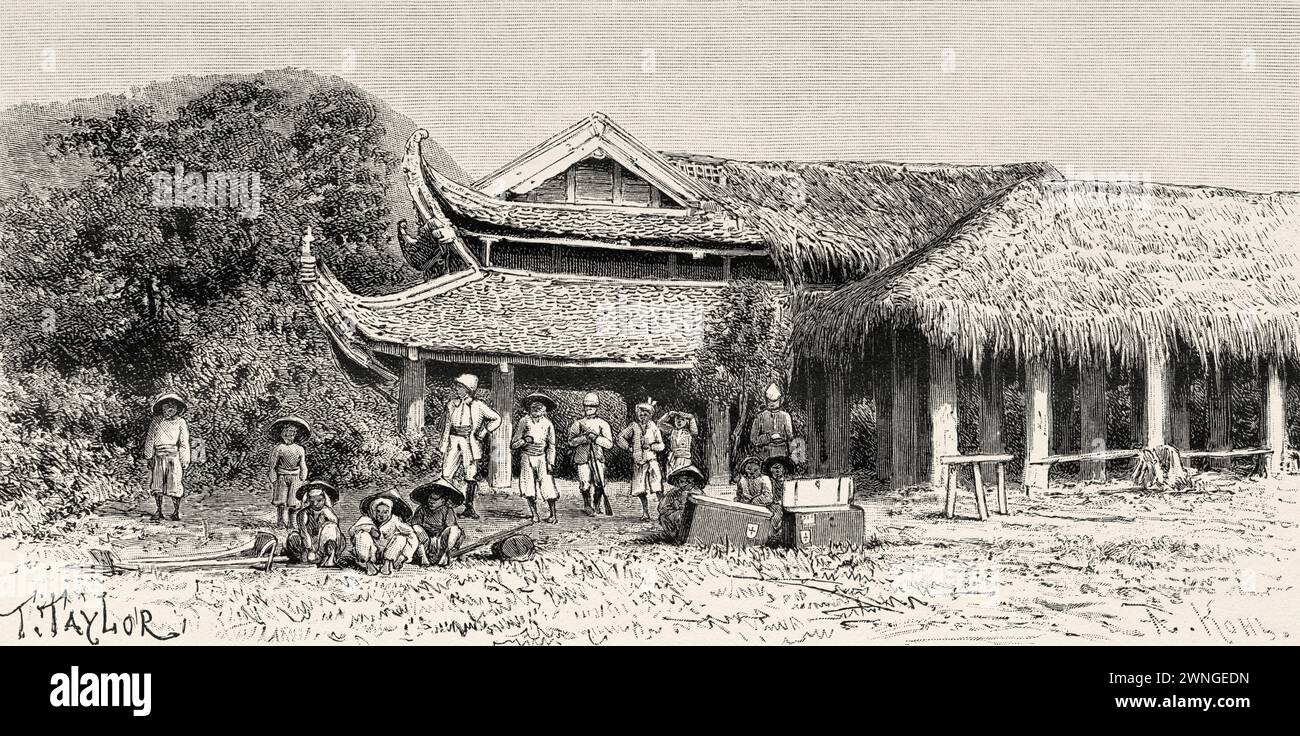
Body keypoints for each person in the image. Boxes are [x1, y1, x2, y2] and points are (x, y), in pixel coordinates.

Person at [438, 373, 501, 519]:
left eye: (460, 387)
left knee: (470, 474)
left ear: (468, 389)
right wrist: (443, 442)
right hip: (453, 440)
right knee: (446, 473)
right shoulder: (451, 404)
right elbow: (446, 424)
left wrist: (484, 431)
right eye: (457, 386)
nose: (457, 389)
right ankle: (446, 507)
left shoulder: (478, 405)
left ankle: (469, 507)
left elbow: (496, 419)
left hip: (469, 442)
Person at [511, 393, 559, 524]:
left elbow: (551, 445)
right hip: (527, 457)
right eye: (533, 406)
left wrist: (550, 462)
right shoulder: (524, 421)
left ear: (544, 410)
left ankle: (553, 515)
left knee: (548, 486)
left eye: (540, 407)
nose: (536, 409)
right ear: (529, 408)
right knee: (528, 487)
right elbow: (514, 444)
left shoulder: (548, 424)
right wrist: (524, 441)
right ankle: (535, 514)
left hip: (542, 457)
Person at [143, 392, 191, 522]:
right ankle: (159, 510)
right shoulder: (156, 422)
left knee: (174, 484)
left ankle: (176, 511)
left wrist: (185, 458)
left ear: (177, 408)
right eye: (166, 406)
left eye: (173, 406)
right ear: (161, 407)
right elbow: (150, 439)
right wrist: (149, 456)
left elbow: (184, 442)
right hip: (158, 456)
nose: (169, 409)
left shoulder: (181, 422)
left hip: (173, 457)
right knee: (157, 484)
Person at [349, 491, 419, 576]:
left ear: (390, 512)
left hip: (388, 554)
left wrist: (404, 556)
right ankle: (369, 565)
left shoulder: (395, 521)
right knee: (362, 535)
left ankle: (387, 565)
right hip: (372, 553)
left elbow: (412, 535)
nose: (381, 515)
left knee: (400, 538)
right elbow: (352, 531)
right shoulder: (366, 520)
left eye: (385, 512)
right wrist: (369, 529)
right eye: (378, 511)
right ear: (374, 511)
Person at [617, 397, 666, 522]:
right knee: (641, 490)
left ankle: (664, 512)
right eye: (641, 414)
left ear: (650, 415)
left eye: (646, 414)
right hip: (639, 462)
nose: (643, 416)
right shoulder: (634, 426)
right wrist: (629, 447)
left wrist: (650, 446)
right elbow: (620, 438)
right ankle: (645, 512)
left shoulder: (653, 427)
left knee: (657, 488)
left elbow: (661, 445)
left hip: (651, 461)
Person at [569, 392, 614, 516]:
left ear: (597, 407)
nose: (589, 408)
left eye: (592, 406)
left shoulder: (603, 424)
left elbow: (609, 444)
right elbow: (571, 442)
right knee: (585, 483)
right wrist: (584, 438)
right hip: (582, 458)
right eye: (587, 406)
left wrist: (596, 438)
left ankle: (597, 504)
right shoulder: (577, 423)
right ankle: (587, 505)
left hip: (598, 457)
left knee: (599, 483)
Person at [266, 416, 311, 528]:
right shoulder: (279, 448)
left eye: (291, 432)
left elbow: (302, 464)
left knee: (294, 501)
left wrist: (303, 475)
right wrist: (273, 477)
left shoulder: (300, 449)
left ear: (295, 434)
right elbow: (272, 465)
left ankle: (291, 522)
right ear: (282, 433)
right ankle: (280, 521)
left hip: (295, 477)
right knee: (280, 500)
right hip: (281, 476)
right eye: (285, 432)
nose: (288, 435)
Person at [408, 479, 465, 567]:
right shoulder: (422, 509)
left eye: (435, 499)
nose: (431, 501)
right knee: (415, 528)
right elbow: (415, 526)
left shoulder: (447, 510)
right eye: (430, 498)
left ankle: (446, 555)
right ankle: (423, 558)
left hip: (440, 542)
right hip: (425, 543)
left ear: (443, 500)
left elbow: (451, 528)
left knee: (455, 530)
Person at [285, 480, 340, 568]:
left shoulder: (327, 511)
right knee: (293, 537)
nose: (315, 504)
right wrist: (309, 548)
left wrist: (327, 514)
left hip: (322, 543)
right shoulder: (303, 513)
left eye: (319, 500)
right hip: (308, 544)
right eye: (312, 501)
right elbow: (303, 531)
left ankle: (329, 557)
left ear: (325, 499)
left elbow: (334, 526)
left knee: (331, 527)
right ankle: (304, 558)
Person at [749, 382, 794, 461]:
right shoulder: (760, 417)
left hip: (782, 455)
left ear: (781, 400)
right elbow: (753, 439)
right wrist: (768, 437)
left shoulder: (785, 416)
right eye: (769, 401)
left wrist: (781, 436)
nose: (772, 404)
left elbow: (790, 437)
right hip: (765, 456)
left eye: (775, 401)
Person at [660, 465, 706, 542]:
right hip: (676, 519)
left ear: (692, 482)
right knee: (665, 517)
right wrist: (673, 509)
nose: (683, 484)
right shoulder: (673, 493)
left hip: (694, 520)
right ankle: (674, 536)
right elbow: (662, 508)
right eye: (681, 482)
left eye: (687, 482)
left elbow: (702, 509)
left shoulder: (698, 493)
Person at [762, 455, 796, 542]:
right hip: (772, 504)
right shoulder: (768, 480)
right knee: (777, 513)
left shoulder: (787, 480)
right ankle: (770, 536)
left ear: (784, 469)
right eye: (774, 468)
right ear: (770, 469)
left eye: (779, 468)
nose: (777, 470)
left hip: (786, 503)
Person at [658, 410, 699, 478]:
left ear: (686, 421)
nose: (679, 421)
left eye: (682, 420)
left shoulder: (688, 432)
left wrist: (689, 416)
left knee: (684, 474)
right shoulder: (672, 431)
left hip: (684, 458)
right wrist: (668, 414)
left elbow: (695, 430)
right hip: (674, 457)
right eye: (677, 419)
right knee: (674, 475)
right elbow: (659, 424)